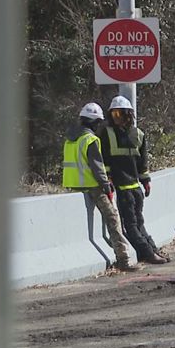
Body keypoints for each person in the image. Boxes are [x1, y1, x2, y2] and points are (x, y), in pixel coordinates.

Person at [62, 103, 136, 272]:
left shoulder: (69, 140)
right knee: (112, 217)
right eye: (98, 123)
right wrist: (106, 186)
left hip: (72, 187)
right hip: (92, 186)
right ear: (94, 122)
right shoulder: (90, 140)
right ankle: (123, 259)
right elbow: (97, 167)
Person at [99, 96, 168, 265]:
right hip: (131, 188)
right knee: (137, 222)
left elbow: (142, 163)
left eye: (120, 114)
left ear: (129, 115)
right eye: (114, 114)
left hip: (128, 189)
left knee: (131, 226)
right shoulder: (133, 133)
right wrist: (144, 181)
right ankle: (152, 249)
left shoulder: (128, 134)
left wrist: (146, 181)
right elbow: (108, 161)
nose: (117, 118)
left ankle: (148, 252)